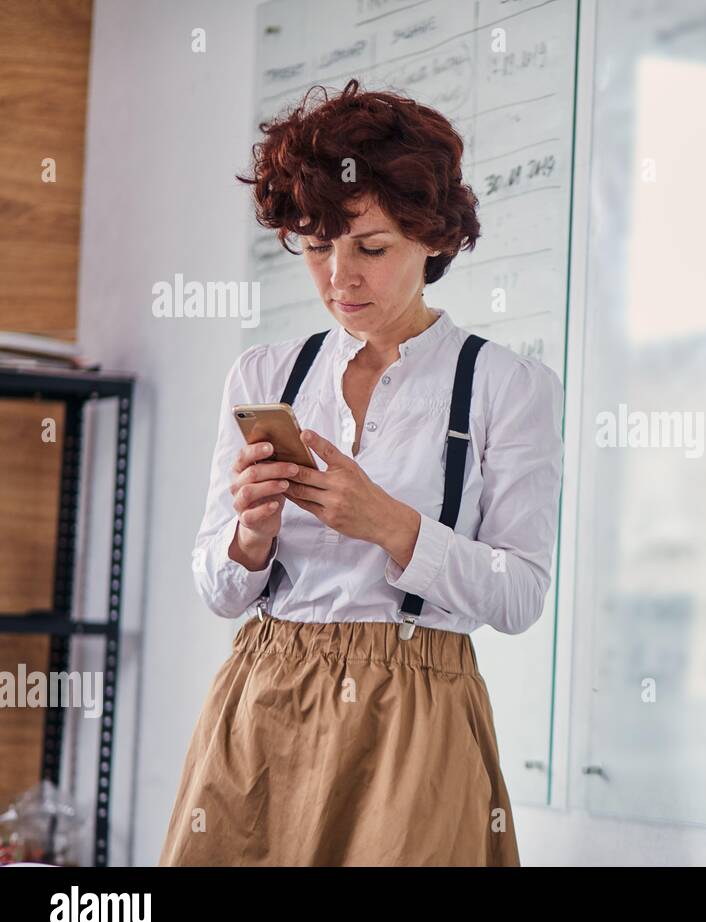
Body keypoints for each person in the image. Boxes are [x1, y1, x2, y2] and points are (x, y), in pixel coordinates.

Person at [158, 79, 564, 866]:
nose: (339, 278)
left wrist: (391, 525)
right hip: (263, 699)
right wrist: (250, 535)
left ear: (434, 238)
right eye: (316, 247)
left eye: (370, 248)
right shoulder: (265, 373)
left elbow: (521, 596)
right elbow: (217, 590)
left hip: (416, 708)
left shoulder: (506, 386)